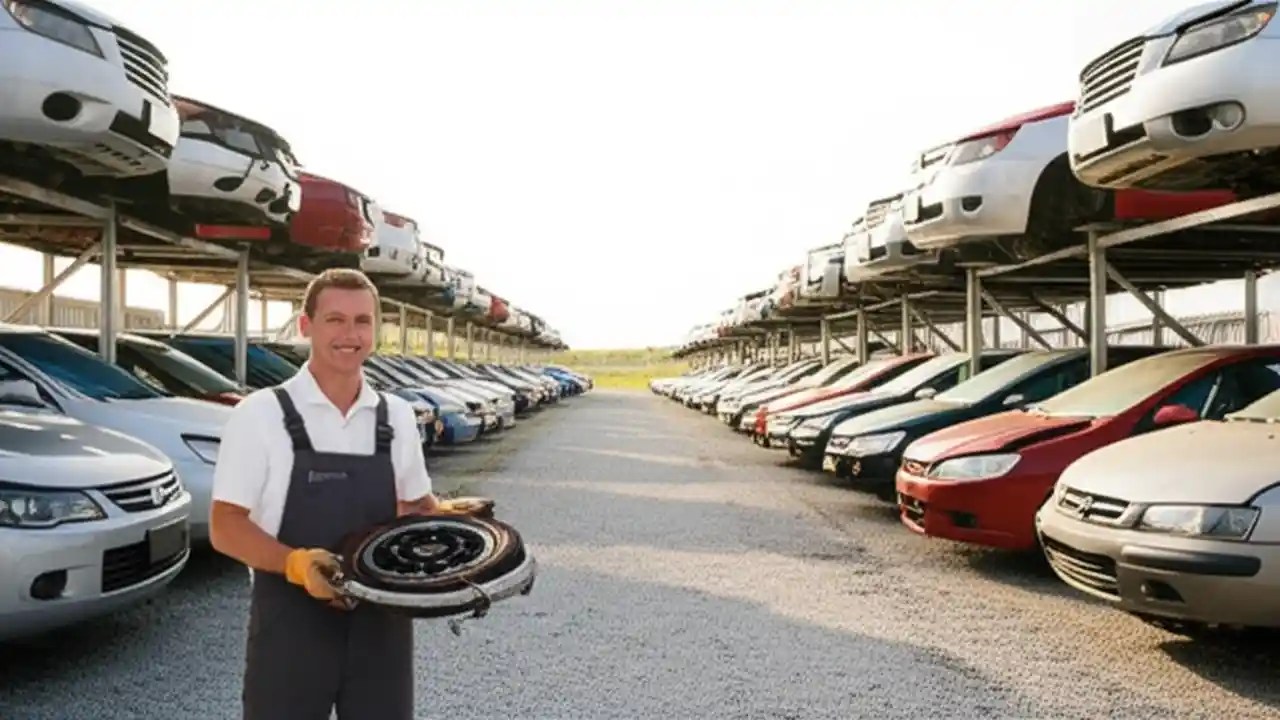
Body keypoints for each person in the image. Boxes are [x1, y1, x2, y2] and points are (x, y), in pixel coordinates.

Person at [209, 268, 443, 720]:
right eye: (335, 319)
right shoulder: (261, 414)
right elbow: (225, 526)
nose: (350, 334)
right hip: (290, 627)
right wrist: (295, 564)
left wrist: (458, 530)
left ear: (377, 328)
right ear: (306, 326)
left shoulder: (395, 416)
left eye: (363, 321)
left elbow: (414, 507)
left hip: (382, 626)